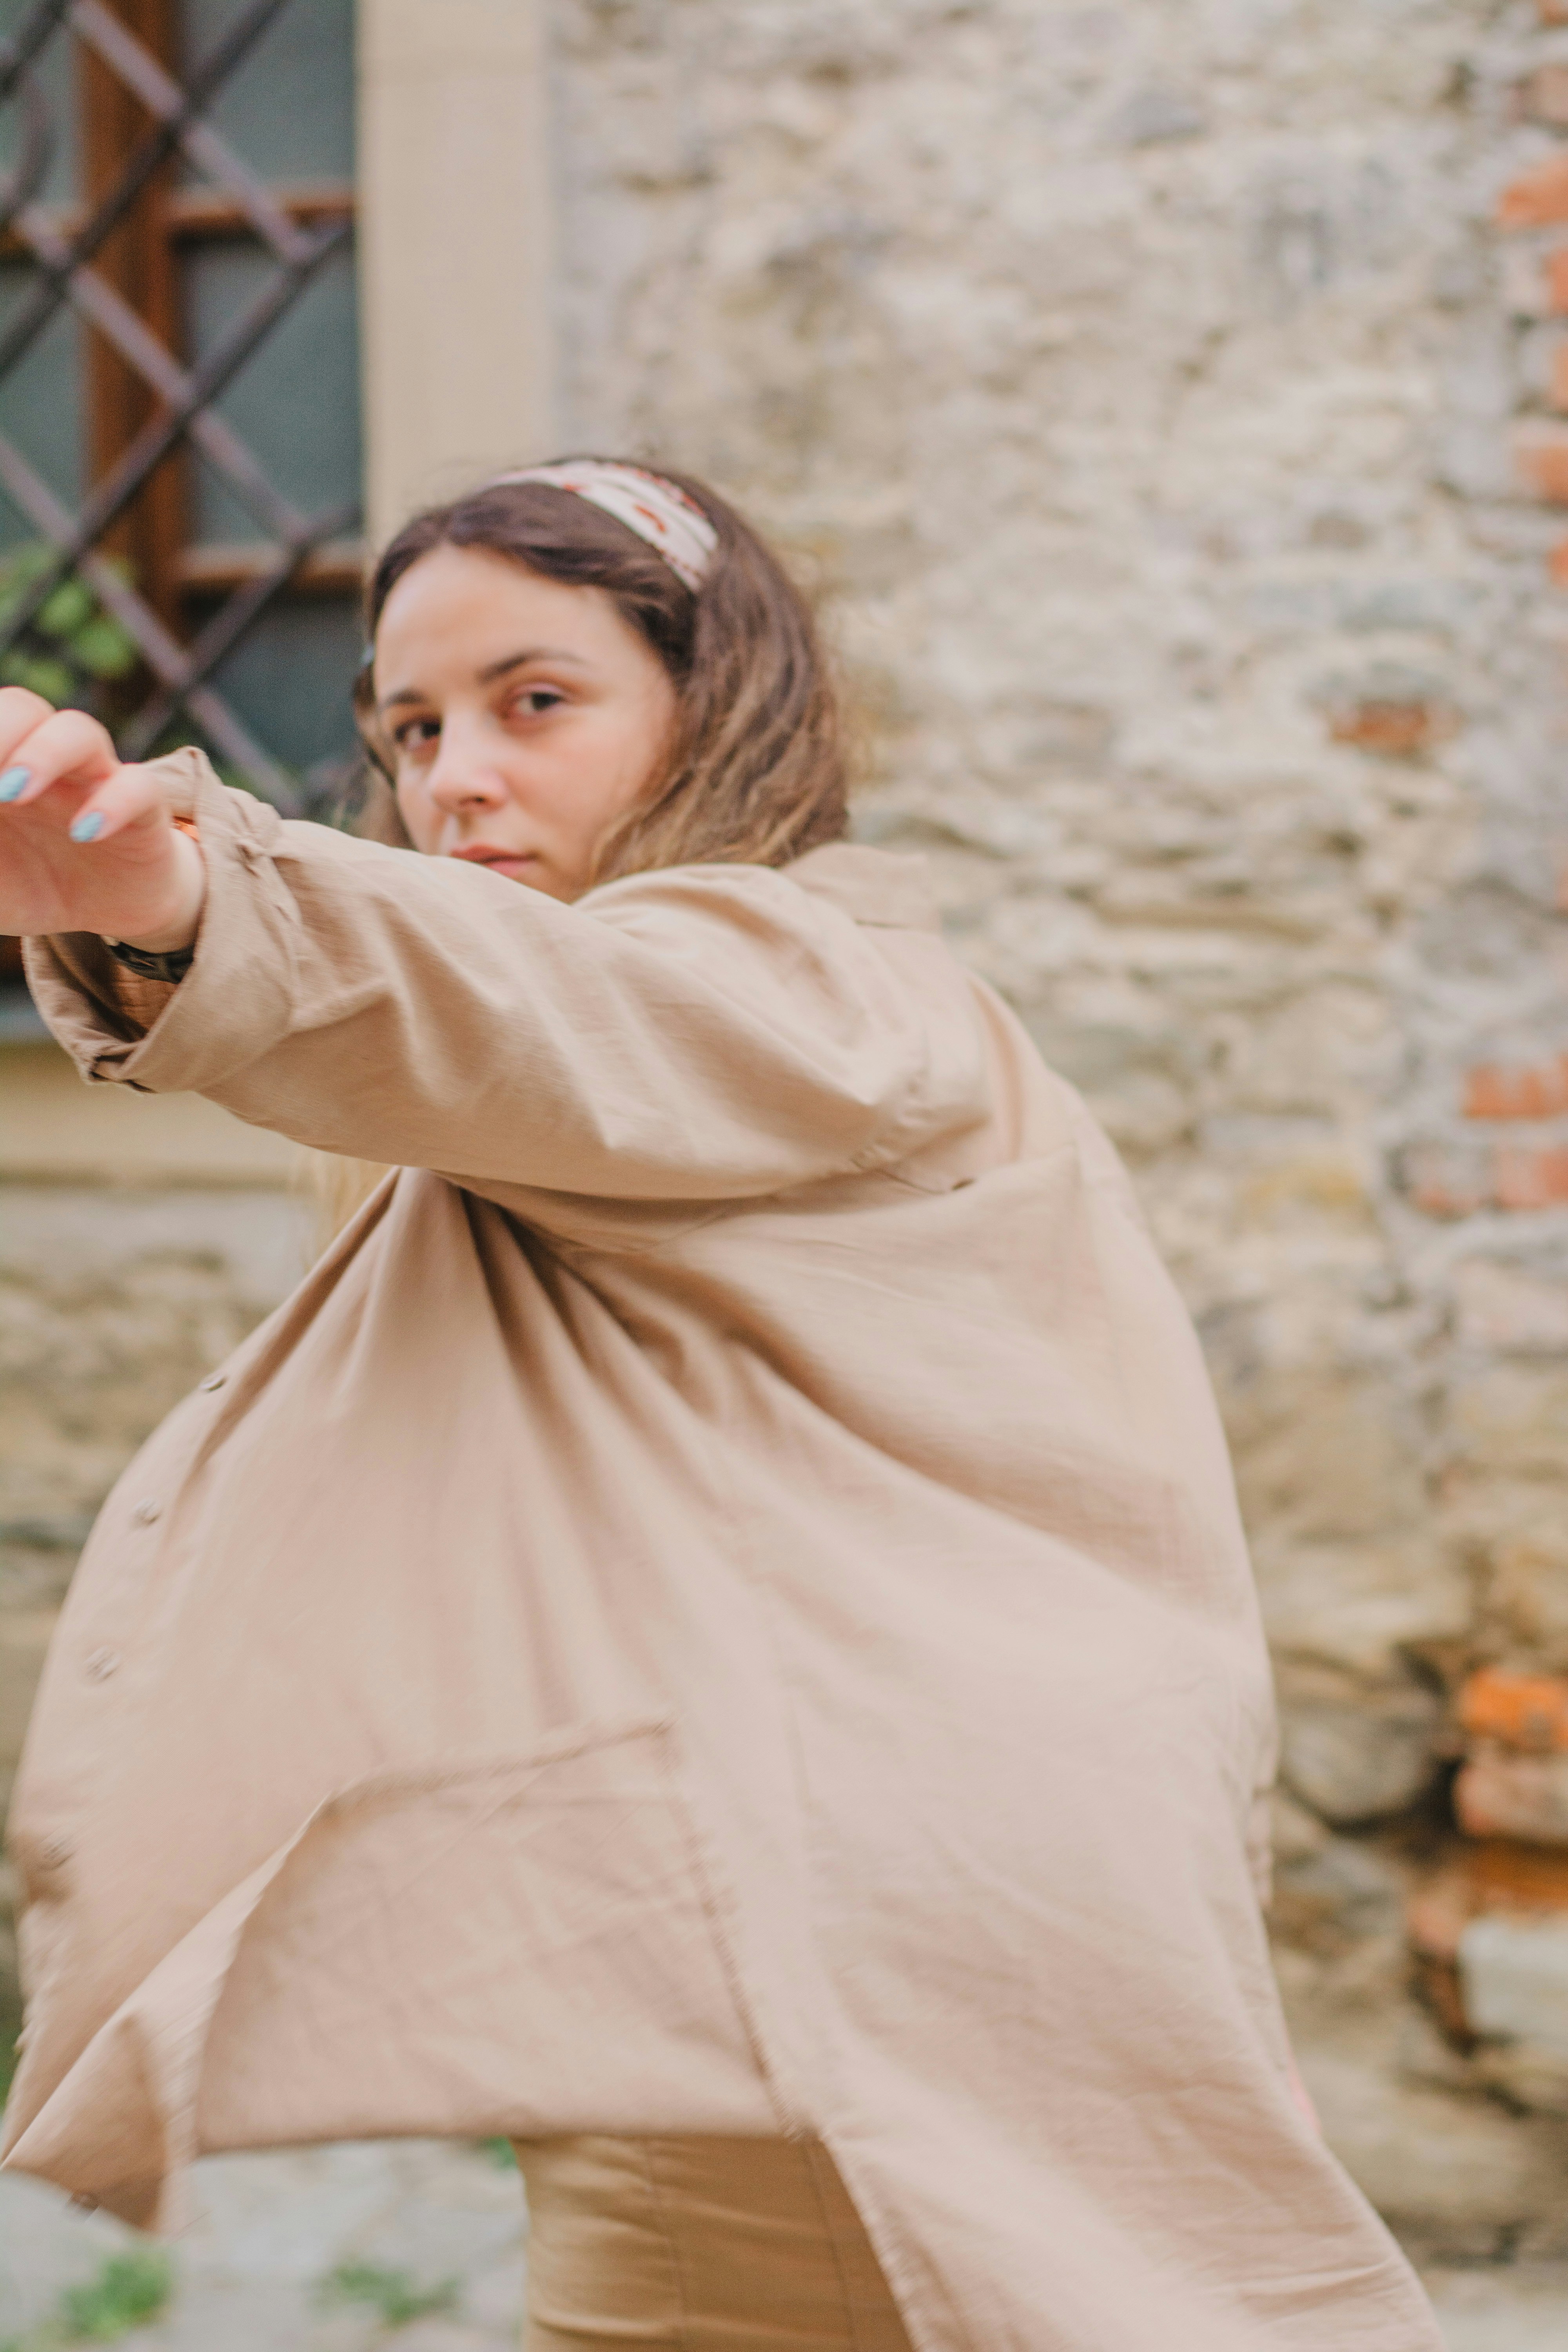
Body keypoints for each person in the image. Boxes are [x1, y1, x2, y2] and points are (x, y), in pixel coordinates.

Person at [0, 461, 1441, 2351]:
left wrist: (182, 894)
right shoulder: (611, 1086)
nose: (455, 779)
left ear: (721, 703)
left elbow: (549, 1013)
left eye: (534, 701)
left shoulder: (806, 985)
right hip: (745, 2003)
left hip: (864, 2004)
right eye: (412, 728)